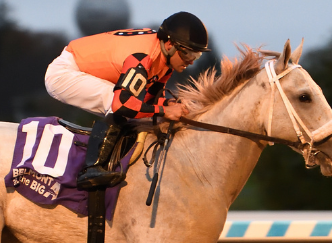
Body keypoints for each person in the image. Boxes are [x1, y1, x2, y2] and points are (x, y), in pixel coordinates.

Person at [45, 11, 211, 189]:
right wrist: (165, 111)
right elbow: (122, 105)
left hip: (80, 67)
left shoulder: (164, 60)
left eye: (196, 56)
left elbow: (150, 99)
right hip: (63, 73)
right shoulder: (143, 56)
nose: (191, 62)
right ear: (170, 44)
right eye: (188, 54)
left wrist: (166, 104)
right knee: (118, 103)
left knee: (133, 106)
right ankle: (91, 169)